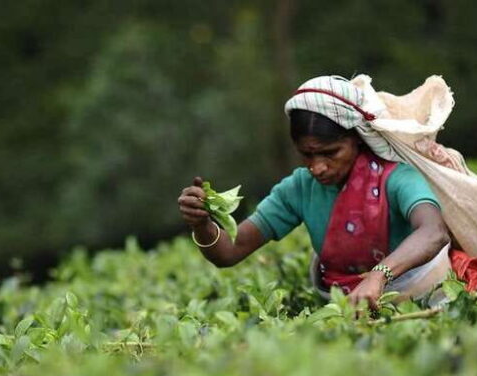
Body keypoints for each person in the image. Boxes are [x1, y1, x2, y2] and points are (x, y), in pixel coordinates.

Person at [178, 76, 455, 310]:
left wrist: (378, 276)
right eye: (307, 155)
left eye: (330, 153)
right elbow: (230, 251)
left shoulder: (396, 177)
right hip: (343, 308)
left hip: (423, 296)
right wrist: (202, 224)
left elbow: (433, 232)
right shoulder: (300, 189)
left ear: (357, 139)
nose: (317, 167)